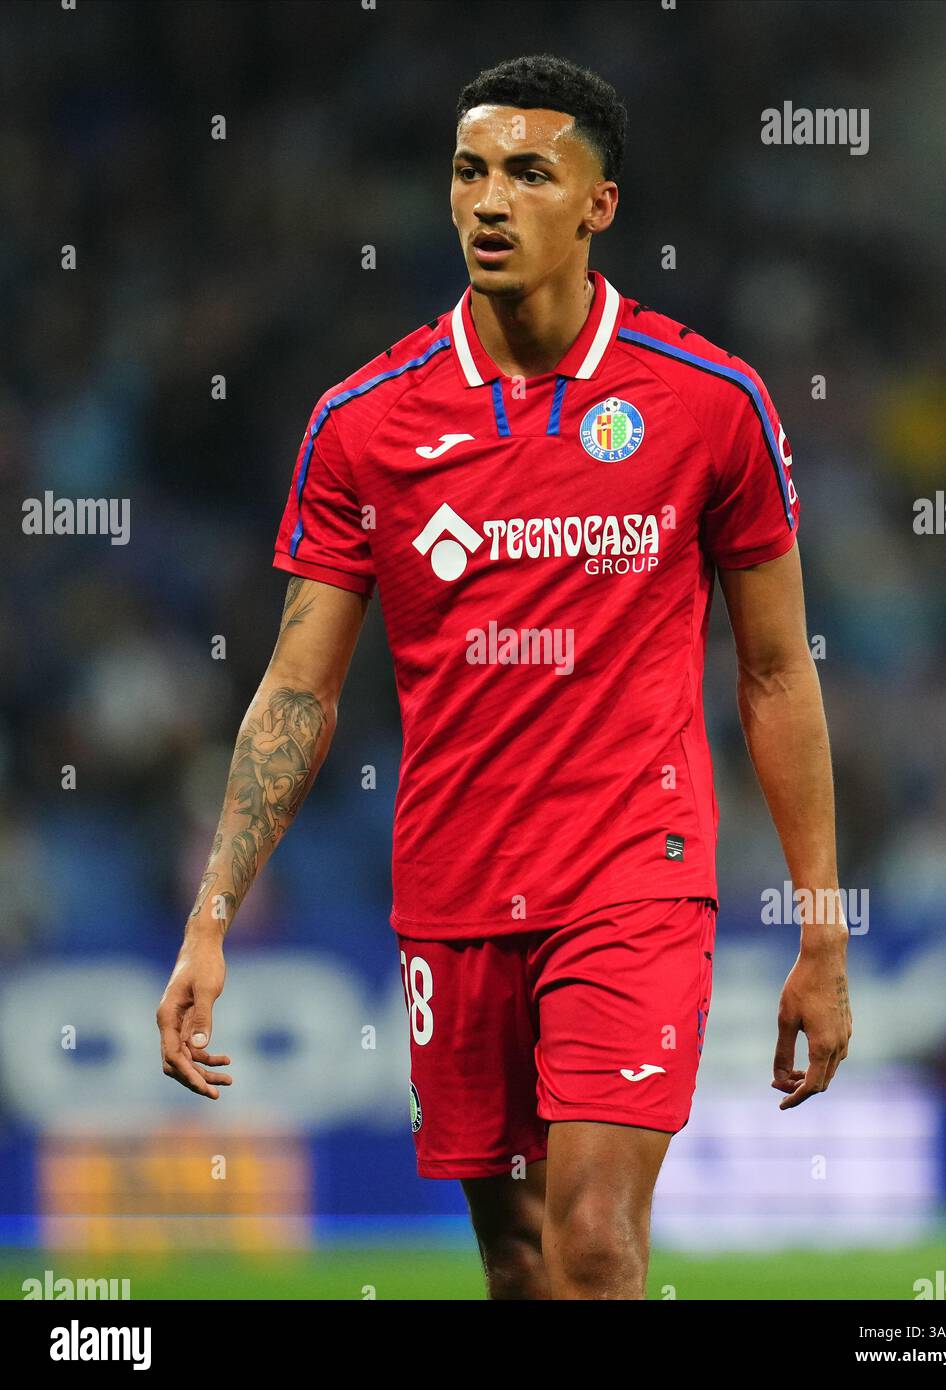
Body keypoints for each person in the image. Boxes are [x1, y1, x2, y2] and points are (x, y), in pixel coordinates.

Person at [157, 53, 851, 1300]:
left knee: (591, 1240)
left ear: (598, 205)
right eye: (471, 171)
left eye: (529, 172)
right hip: (456, 884)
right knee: (520, 1259)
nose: (490, 199)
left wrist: (821, 927)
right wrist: (213, 913)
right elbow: (298, 690)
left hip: (634, 875)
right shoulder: (365, 422)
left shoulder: (708, 402)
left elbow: (772, 672)